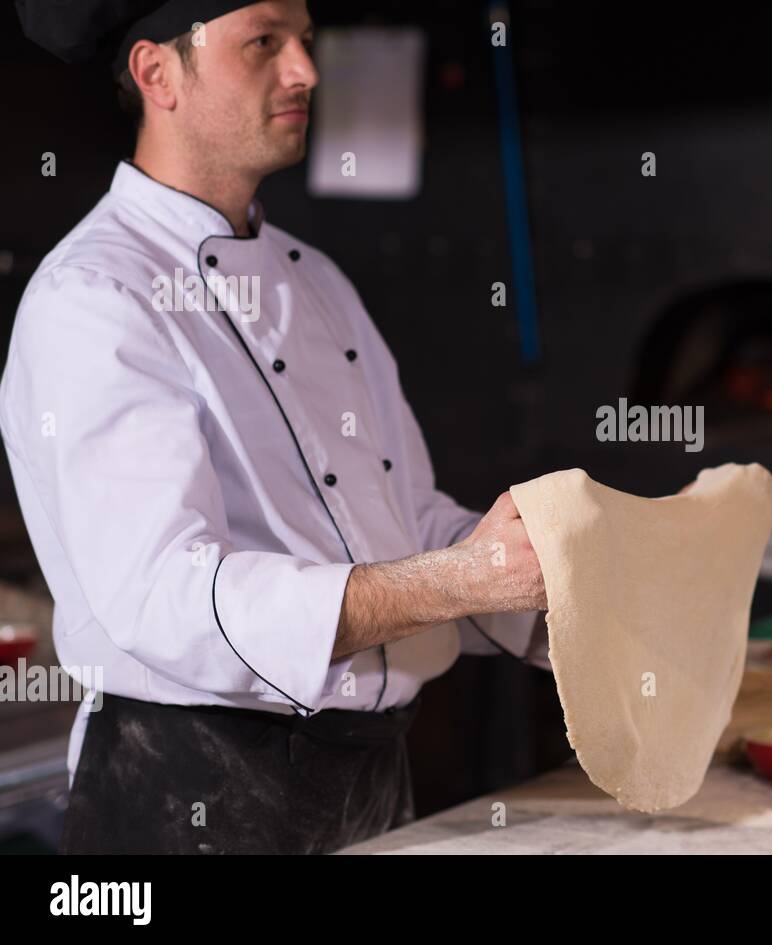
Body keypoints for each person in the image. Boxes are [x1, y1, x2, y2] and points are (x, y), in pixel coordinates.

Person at [3, 0, 549, 853]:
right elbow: (169, 597)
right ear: (157, 73)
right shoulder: (94, 296)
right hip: (190, 796)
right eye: (264, 42)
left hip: (373, 789)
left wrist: (550, 590)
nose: (306, 71)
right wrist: (461, 580)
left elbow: (403, 522)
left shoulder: (317, 280)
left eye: (304, 40)